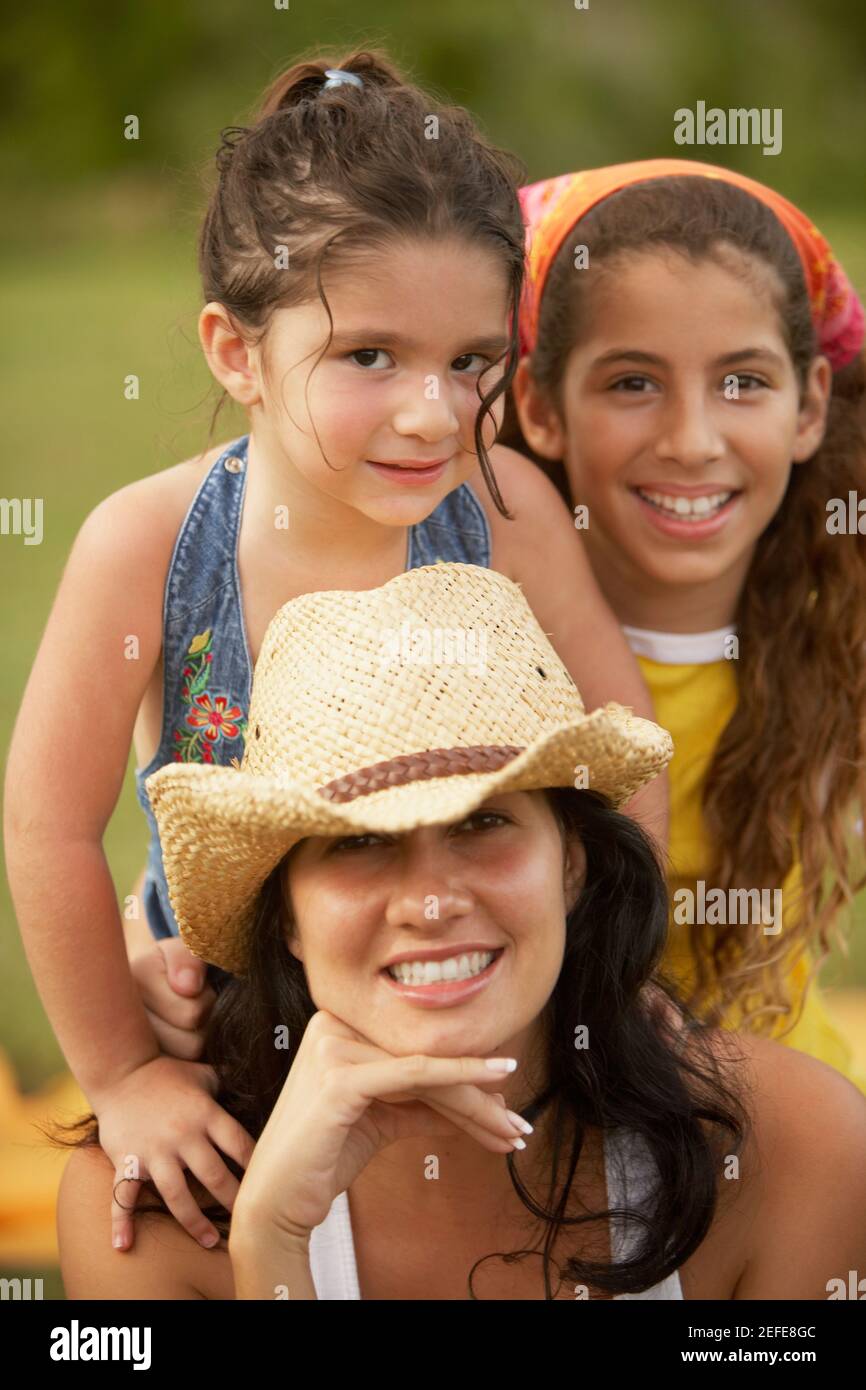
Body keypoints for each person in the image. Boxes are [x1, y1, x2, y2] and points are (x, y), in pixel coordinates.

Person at [3, 53, 665, 1256]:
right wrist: (122, 1073)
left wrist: (606, 993)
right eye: (369, 357)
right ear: (234, 352)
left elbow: (627, 757)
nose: (429, 412)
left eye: (469, 362)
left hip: (474, 981)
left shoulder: (504, 507)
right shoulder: (146, 545)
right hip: (236, 1024)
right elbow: (46, 821)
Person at [55, 563, 866, 1300]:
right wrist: (271, 1246)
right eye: (359, 842)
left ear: (572, 864)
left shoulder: (796, 1154)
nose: (431, 902)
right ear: (286, 918)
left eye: (482, 822)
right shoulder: (147, 1211)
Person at [500, 158, 866, 1092]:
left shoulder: (839, 647)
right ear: (540, 407)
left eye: (743, 382)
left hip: (805, 1150)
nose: (693, 439)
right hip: (562, 1157)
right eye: (632, 384)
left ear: (810, 405)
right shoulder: (484, 660)